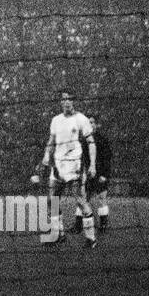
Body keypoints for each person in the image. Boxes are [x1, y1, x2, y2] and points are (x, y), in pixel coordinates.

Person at [40, 90, 97, 249]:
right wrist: (46, 157)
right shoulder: (56, 120)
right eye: (63, 99)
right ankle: (59, 234)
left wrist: (92, 164)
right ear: (61, 102)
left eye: (69, 99)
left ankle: (91, 238)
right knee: (52, 200)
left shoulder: (81, 119)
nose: (66, 102)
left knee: (80, 200)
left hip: (74, 166)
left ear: (73, 102)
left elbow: (91, 142)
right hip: (57, 166)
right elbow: (51, 141)